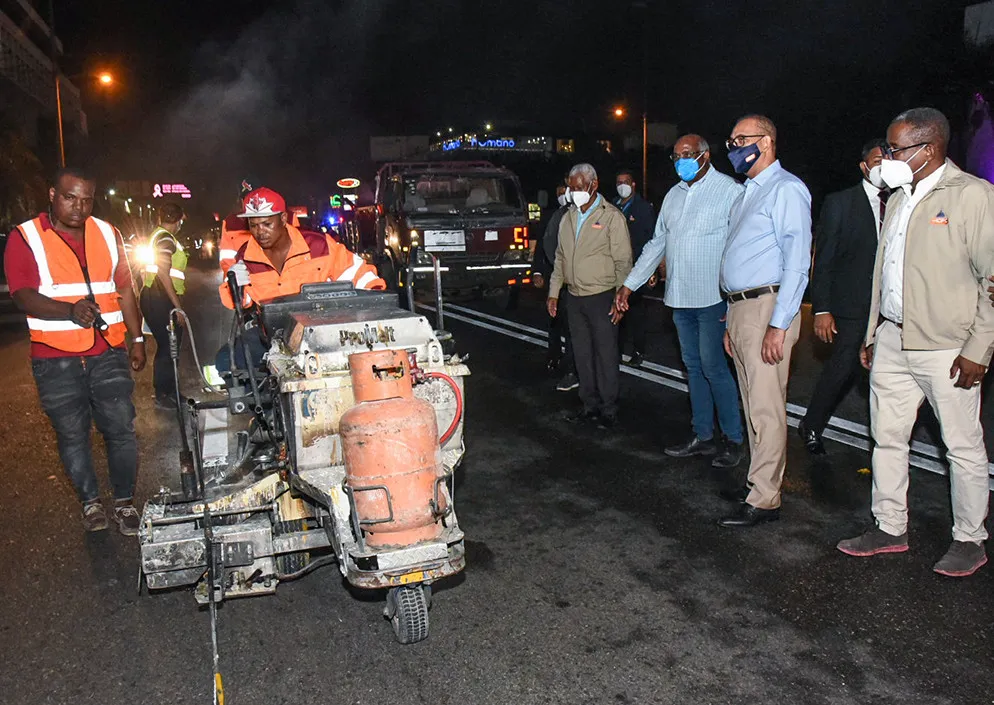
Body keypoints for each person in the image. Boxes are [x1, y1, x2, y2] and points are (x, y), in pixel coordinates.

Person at [838, 108, 994, 578]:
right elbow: (883, 272)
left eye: (896, 149)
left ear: (929, 150)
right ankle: (890, 527)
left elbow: (992, 278)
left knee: (962, 446)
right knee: (886, 438)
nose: (888, 157)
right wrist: (873, 332)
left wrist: (978, 349)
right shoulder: (901, 196)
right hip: (892, 337)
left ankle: (970, 539)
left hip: (948, 345)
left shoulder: (972, 196)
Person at [3, 166, 146, 534]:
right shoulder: (26, 237)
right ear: (52, 194)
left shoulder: (107, 233)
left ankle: (124, 502)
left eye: (86, 199)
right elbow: (22, 294)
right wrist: (69, 311)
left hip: (108, 350)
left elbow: (125, 289)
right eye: (70, 197)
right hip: (55, 358)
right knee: (72, 434)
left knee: (121, 428)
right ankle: (90, 503)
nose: (79, 207)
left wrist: (139, 337)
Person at [615, 134, 745, 469]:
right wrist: (629, 285)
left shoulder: (730, 191)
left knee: (714, 367)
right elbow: (657, 243)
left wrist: (734, 300)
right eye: (675, 156)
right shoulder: (673, 196)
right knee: (693, 368)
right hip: (679, 298)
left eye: (687, 154)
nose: (681, 161)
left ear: (705, 155)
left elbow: (740, 246)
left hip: (714, 298)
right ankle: (702, 435)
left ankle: (732, 439)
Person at [717, 115, 812, 528]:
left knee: (766, 407)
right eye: (731, 141)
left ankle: (766, 498)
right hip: (741, 308)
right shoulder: (746, 193)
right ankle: (759, 481)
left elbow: (797, 262)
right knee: (752, 403)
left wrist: (779, 323)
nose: (735, 147)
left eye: (743, 139)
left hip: (766, 307)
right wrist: (729, 320)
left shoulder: (786, 189)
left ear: (767, 143)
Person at [218, 187, 386, 371]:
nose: (260, 232)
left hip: (322, 332)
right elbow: (242, 303)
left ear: (282, 219)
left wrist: (378, 304)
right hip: (272, 337)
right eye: (254, 225)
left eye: (267, 224)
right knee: (226, 360)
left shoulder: (319, 246)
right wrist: (234, 284)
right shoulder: (245, 258)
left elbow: (359, 274)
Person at [799, 140, 888, 454]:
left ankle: (888, 439)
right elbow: (824, 260)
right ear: (863, 166)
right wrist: (822, 308)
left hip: (889, 310)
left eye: (890, 158)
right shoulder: (841, 202)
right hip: (851, 306)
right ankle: (811, 425)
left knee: (888, 375)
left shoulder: (903, 202)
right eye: (878, 160)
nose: (885, 165)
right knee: (842, 369)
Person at [547, 164, 632, 429]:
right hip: (574, 297)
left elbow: (623, 261)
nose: (574, 192)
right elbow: (560, 257)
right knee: (581, 354)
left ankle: (609, 409)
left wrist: (621, 297)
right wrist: (553, 293)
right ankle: (589, 405)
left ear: (594, 185)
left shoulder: (611, 217)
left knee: (605, 354)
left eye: (579, 187)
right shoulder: (568, 217)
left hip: (602, 296)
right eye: (571, 187)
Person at [139, 202, 188, 410]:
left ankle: (172, 391)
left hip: (154, 296)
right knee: (169, 346)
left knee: (169, 345)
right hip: (160, 298)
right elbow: (163, 273)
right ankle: (163, 394)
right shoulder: (166, 239)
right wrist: (178, 308)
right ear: (178, 221)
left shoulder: (157, 236)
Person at [532, 183, 577, 391]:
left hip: (573, 279)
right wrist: (538, 271)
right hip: (554, 276)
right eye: (558, 193)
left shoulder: (577, 215)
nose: (562, 196)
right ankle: (554, 356)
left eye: (564, 193)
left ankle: (572, 370)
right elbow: (543, 244)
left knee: (571, 326)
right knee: (553, 321)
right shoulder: (553, 216)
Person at [613, 168, 656, 368]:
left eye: (626, 181)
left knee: (636, 314)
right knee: (615, 310)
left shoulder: (643, 208)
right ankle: (617, 350)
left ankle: (639, 351)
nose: (622, 185)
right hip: (614, 270)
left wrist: (651, 270)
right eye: (619, 182)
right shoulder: (613, 207)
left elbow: (651, 240)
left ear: (633, 185)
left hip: (636, 268)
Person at [218, 178, 256, 275]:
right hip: (243, 283)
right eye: (246, 199)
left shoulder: (286, 218)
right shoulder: (230, 222)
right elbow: (227, 260)